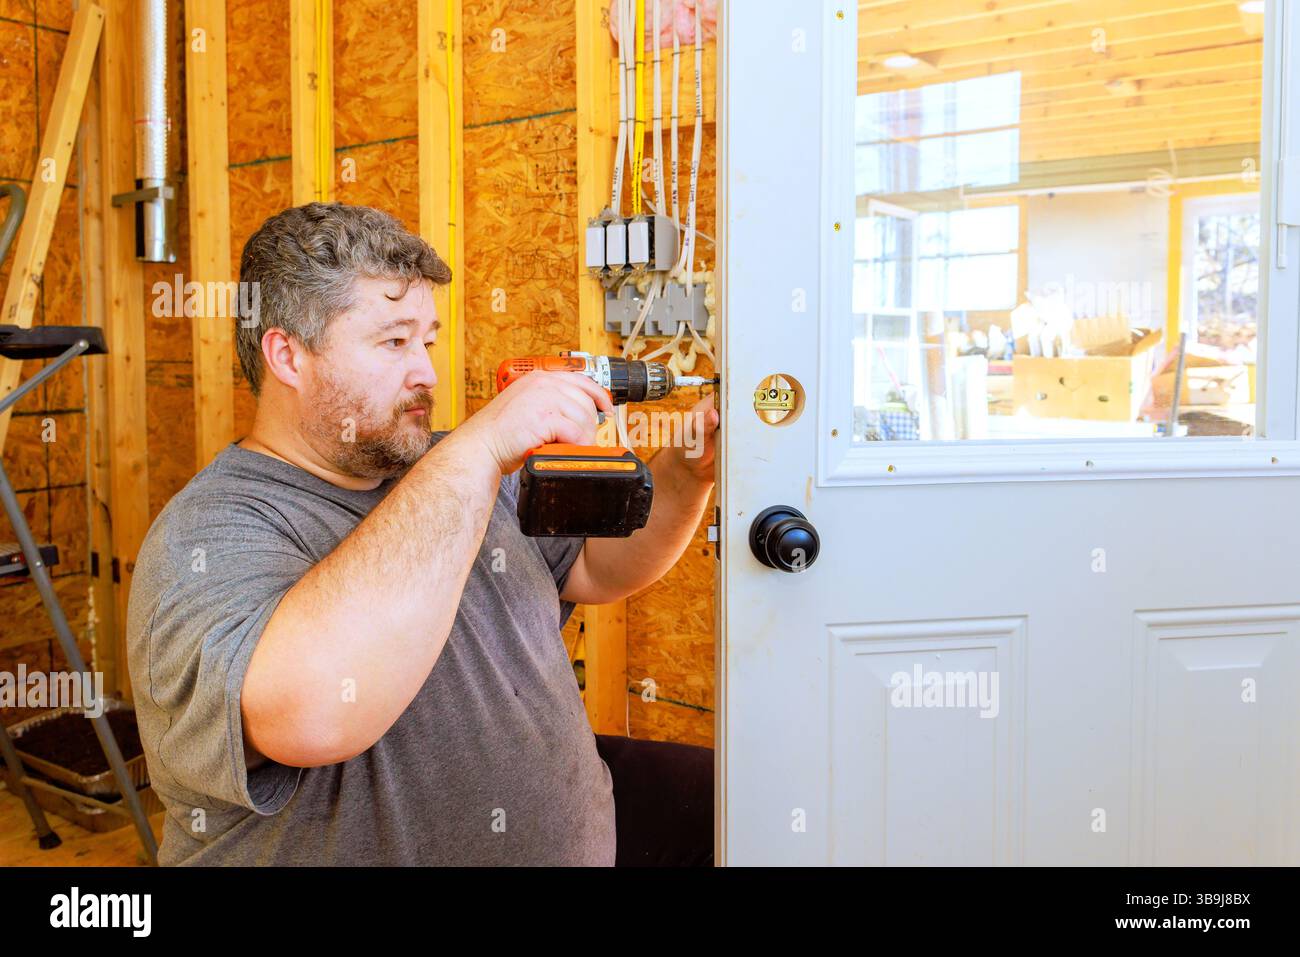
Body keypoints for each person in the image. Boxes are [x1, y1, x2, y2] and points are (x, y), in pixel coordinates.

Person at [125, 202, 718, 865]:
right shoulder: (209, 535)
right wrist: (482, 444)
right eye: (393, 341)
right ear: (287, 354)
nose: (428, 373)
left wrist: (688, 469)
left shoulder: (459, 471)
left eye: (427, 340)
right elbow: (312, 711)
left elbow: (600, 567)